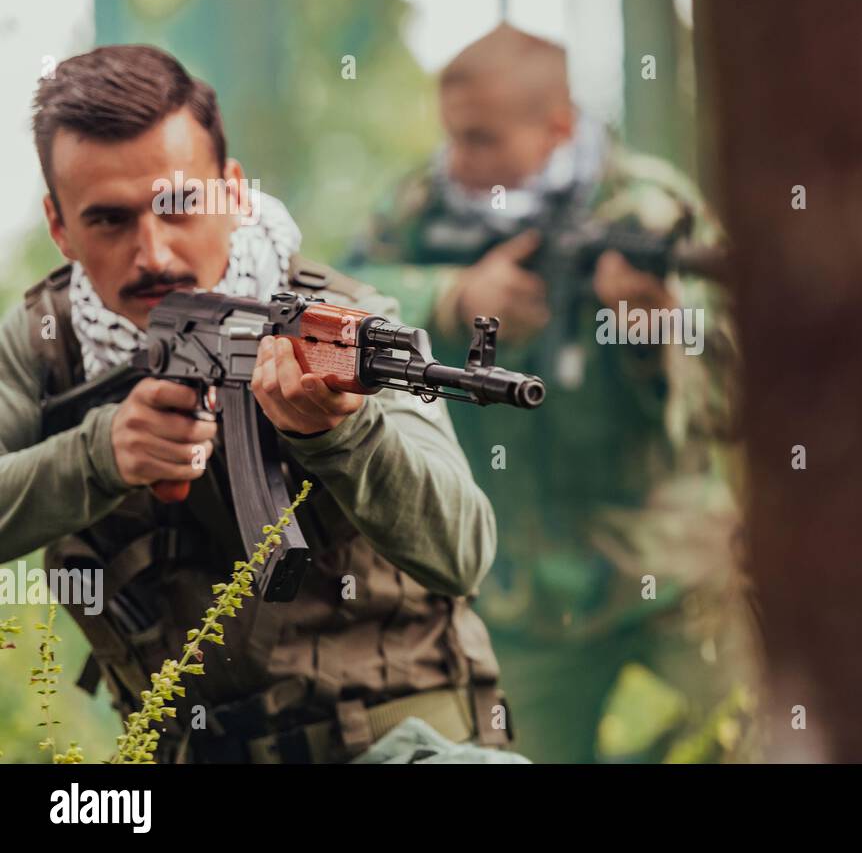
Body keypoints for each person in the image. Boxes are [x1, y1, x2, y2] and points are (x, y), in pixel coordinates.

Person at [0, 44, 512, 763]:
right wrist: (98, 456)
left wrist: (344, 437)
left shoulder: (345, 323)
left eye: (180, 206)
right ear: (59, 228)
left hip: (399, 743)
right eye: (110, 221)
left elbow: (463, 554)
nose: (154, 254)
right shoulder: (46, 345)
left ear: (234, 192)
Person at [351, 24, 759, 763]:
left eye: (481, 140)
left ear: (559, 127)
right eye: (453, 136)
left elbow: (736, 392)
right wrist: (452, 298)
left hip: (671, 574)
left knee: (750, 737)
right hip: (519, 596)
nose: (458, 160)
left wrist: (655, 334)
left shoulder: (650, 211)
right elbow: (336, 306)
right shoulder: (420, 210)